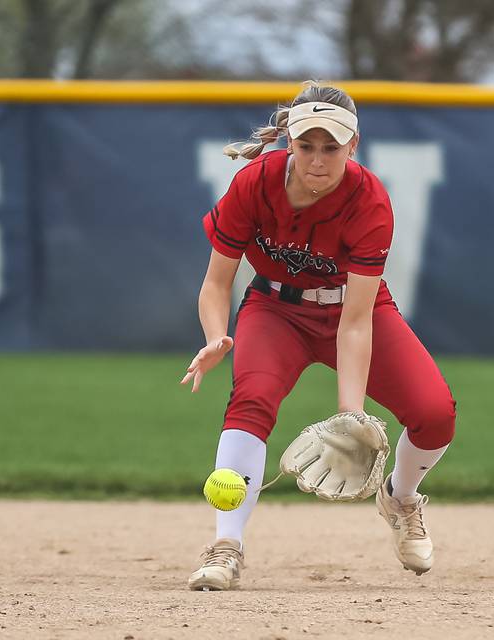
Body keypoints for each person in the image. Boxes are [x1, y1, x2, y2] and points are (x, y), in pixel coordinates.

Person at [181, 81, 457, 591]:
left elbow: (354, 322)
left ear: (353, 147)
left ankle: (400, 497)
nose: (317, 159)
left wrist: (349, 415)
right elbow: (216, 283)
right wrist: (217, 336)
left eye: (332, 147)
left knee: (436, 413)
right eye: (306, 145)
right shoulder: (254, 183)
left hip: (353, 311)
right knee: (252, 399)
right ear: (289, 142)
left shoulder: (369, 199)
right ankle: (225, 546)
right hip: (274, 309)